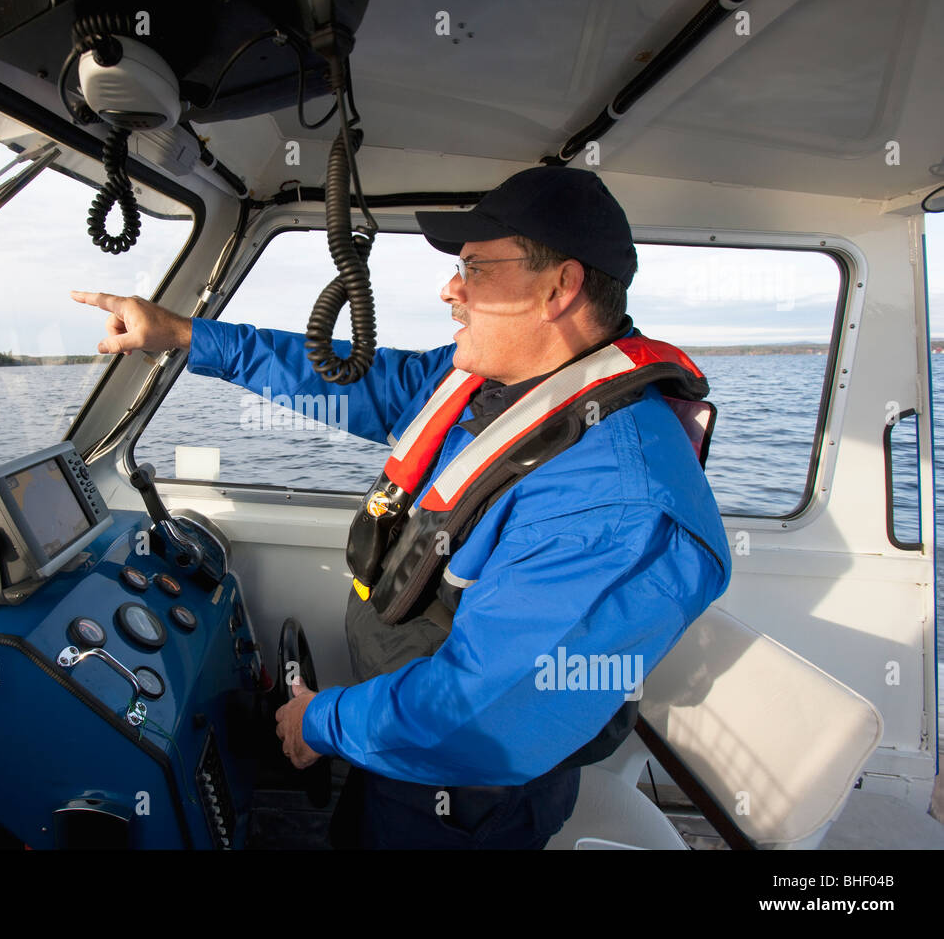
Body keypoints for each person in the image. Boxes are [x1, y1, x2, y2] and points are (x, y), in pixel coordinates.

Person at [72, 166, 731, 849]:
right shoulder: (489, 381)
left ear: (558, 289)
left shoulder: (618, 504)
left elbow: (484, 713)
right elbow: (351, 380)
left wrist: (320, 723)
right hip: (400, 735)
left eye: (475, 268)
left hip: (472, 791)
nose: (450, 288)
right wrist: (184, 335)